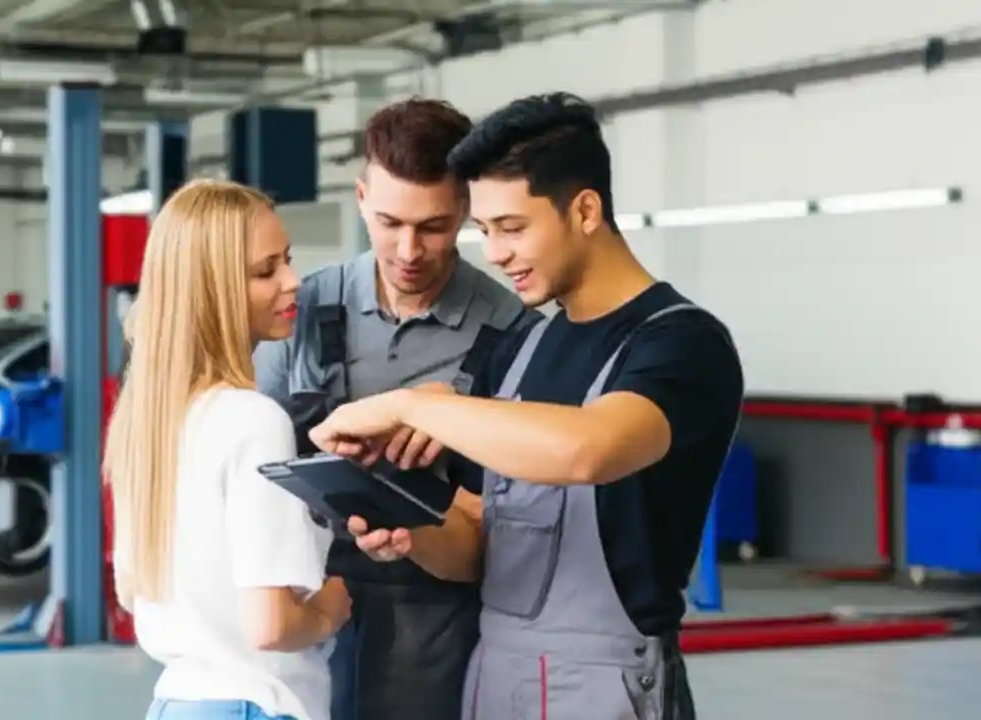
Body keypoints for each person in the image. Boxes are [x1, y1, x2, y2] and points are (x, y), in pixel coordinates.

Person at [307, 92, 746, 720]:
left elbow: (587, 449)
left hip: (607, 686)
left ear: (586, 210)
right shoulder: (520, 348)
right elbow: (480, 545)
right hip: (496, 676)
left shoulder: (681, 343)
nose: (495, 253)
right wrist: (407, 526)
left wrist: (412, 405)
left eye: (513, 228)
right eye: (483, 230)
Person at [253, 98, 538, 720]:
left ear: (465, 208)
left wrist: (456, 420)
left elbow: (521, 511)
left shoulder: (514, 333)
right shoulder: (301, 307)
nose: (409, 249)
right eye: (389, 222)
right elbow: (252, 457)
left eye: (433, 226)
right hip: (305, 595)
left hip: (432, 615)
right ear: (360, 199)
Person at [106, 179, 352, 720]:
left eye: (287, 261)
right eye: (266, 272)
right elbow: (273, 626)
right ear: (211, 289)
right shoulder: (252, 419)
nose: (292, 283)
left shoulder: (146, 421)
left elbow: (137, 591)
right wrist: (333, 606)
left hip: (178, 702)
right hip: (254, 704)